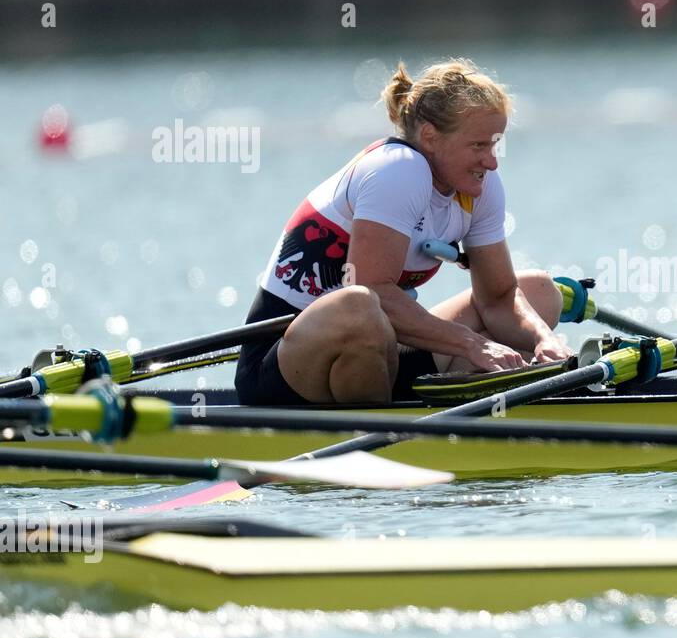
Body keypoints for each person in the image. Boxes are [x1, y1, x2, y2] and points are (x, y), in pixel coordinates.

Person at [235, 59, 569, 405]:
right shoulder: (397, 169)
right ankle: (387, 432)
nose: (492, 161)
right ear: (430, 137)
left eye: (495, 144)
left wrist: (544, 339)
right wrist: (474, 344)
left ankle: (471, 399)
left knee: (539, 290)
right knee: (359, 306)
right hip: (284, 368)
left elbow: (498, 297)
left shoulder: (478, 189)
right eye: (478, 146)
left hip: (383, 350)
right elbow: (372, 289)